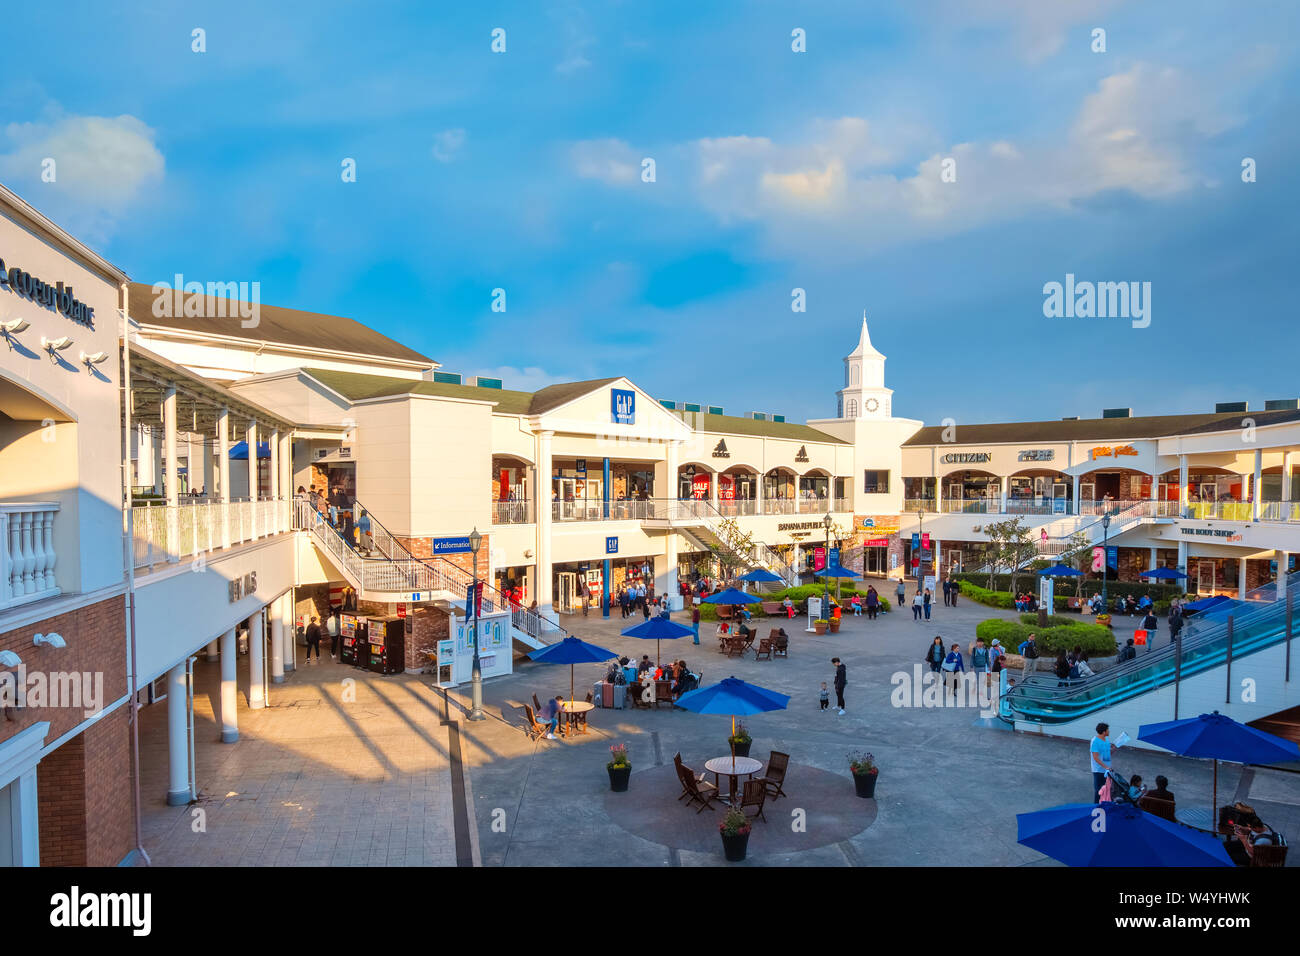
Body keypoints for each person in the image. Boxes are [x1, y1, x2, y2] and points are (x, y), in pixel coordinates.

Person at [1090, 722, 1112, 803]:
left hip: (1107, 770)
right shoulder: (1095, 741)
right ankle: (1095, 807)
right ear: (1103, 732)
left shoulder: (1106, 740)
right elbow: (1095, 757)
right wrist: (1105, 767)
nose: (1109, 731)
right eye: (1107, 730)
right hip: (1098, 770)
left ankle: (1102, 804)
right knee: (1098, 790)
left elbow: (1107, 754)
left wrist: (1115, 748)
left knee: (1106, 789)